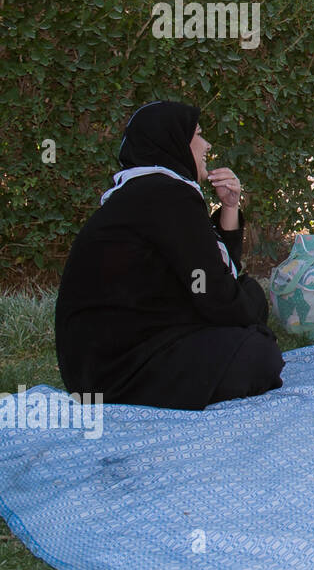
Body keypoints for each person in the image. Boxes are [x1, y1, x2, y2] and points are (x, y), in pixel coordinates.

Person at [55, 101, 285, 409]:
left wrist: (230, 208)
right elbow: (216, 294)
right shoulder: (167, 196)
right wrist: (254, 308)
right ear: (173, 142)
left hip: (101, 366)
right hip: (119, 369)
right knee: (259, 354)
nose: (207, 145)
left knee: (244, 316)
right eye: (199, 135)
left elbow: (205, 273)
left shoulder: (151, 192)